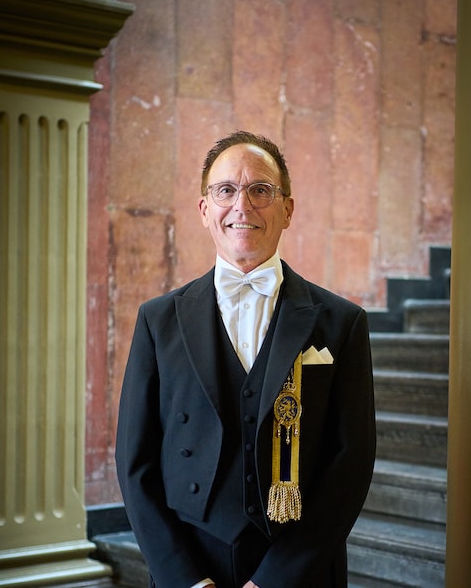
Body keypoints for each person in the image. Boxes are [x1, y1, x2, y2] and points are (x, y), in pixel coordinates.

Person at [116, 131, 376, 588]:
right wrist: (184, 579)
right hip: (191, 561)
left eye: (261, 190)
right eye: (226, 190)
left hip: (299, 568)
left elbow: (350, 461)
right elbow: (135, 464)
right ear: (204, 210)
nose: (242, 205)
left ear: (287, 210)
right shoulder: (158, 321)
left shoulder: (342, 323)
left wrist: (278, 579)